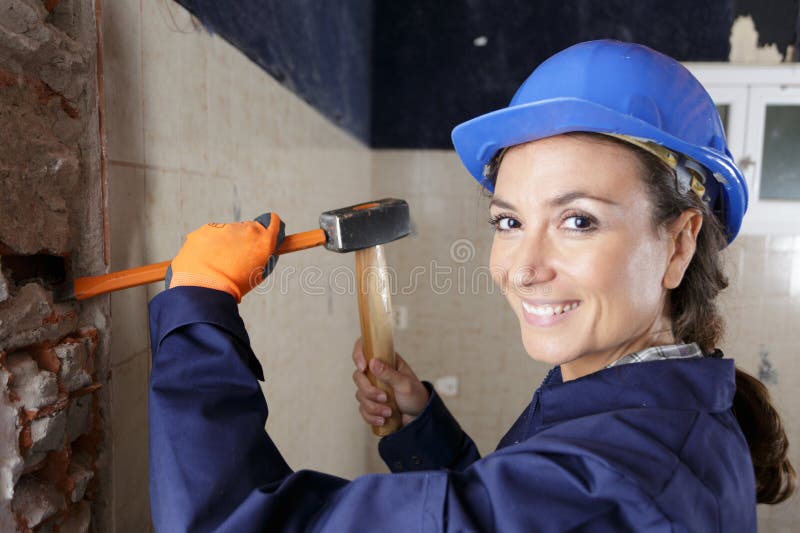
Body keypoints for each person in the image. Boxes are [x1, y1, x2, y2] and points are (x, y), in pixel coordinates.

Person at [148, 40, 796, 532]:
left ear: (678, 244)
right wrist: (421, 429)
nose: (524, 266)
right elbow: (507, 503)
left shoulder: (623, 482)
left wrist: (199, 307)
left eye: (578, 220)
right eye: (509, 222)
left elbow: (235, 522)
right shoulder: (631, 409)